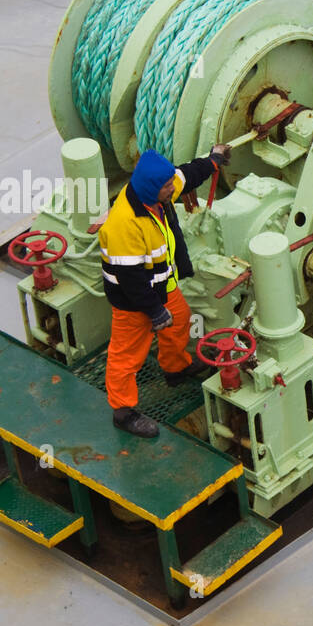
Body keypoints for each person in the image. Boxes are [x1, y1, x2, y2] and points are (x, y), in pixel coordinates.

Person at [97, 146, 229, 437]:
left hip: (162, 286)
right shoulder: (124, 224)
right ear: (152, 188)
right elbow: (130, 279)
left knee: (179, 320)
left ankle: (174, 368)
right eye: (168, 186)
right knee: (126, 356)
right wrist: (155, 312)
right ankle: (123, 412)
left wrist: (213, 160)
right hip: (133, 302)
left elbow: (186, 175)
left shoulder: (158, 192)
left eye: (171, 184)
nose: (174, 188)